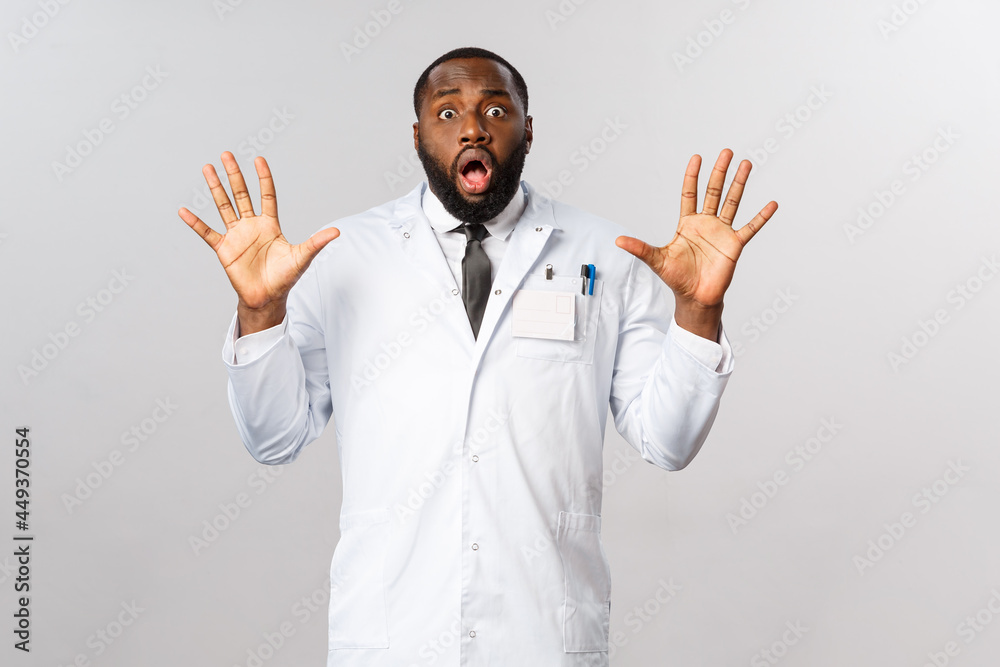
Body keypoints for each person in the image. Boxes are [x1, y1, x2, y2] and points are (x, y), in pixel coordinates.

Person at [178, 47, 776, 666]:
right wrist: (259, 313)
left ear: (528, 129)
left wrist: (699, 312)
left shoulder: (609, 254)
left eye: (496, 109)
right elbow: (273, 438)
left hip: (543, 634)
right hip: (396, 636)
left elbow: (668, 440)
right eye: (446, 113)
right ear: (416, 137)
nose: (472, 127)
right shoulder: (339, 255)